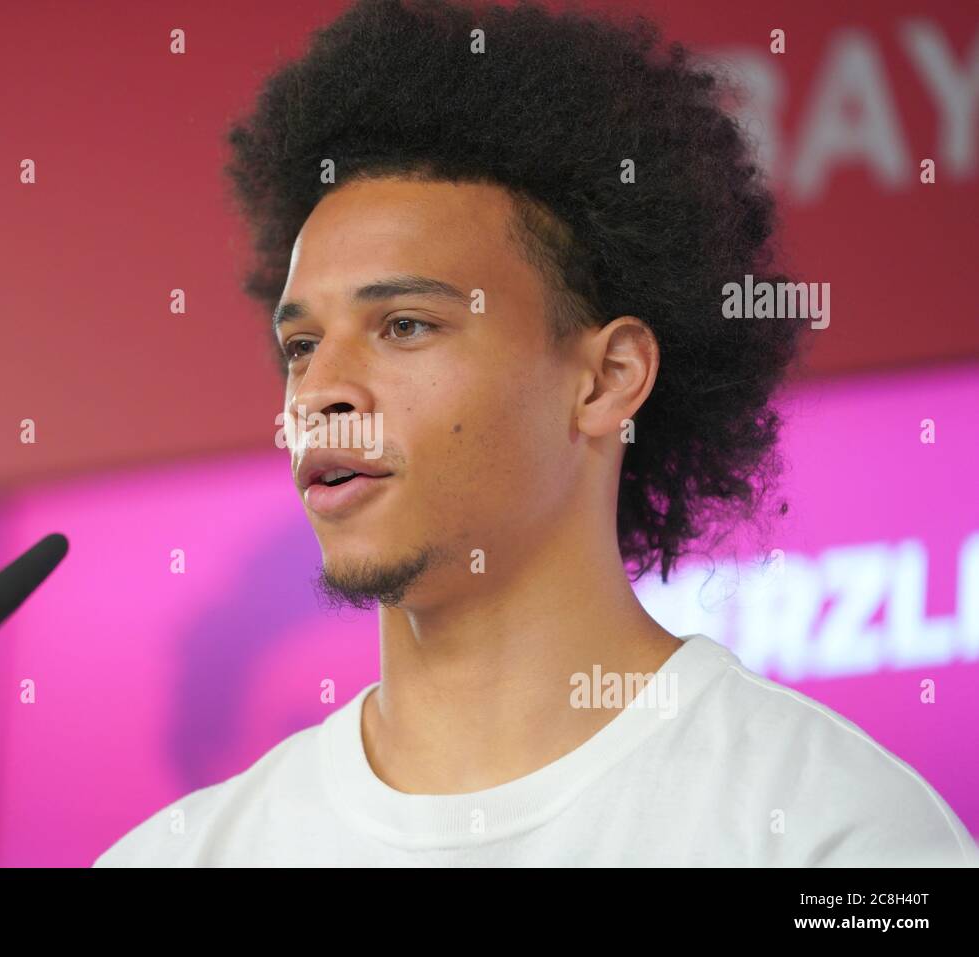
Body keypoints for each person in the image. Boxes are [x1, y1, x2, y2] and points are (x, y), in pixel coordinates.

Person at [95, 0, 976, 866]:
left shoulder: (840, 835)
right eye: (300, 345)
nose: (319, 391)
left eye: (404, 325)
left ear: (605, 379)